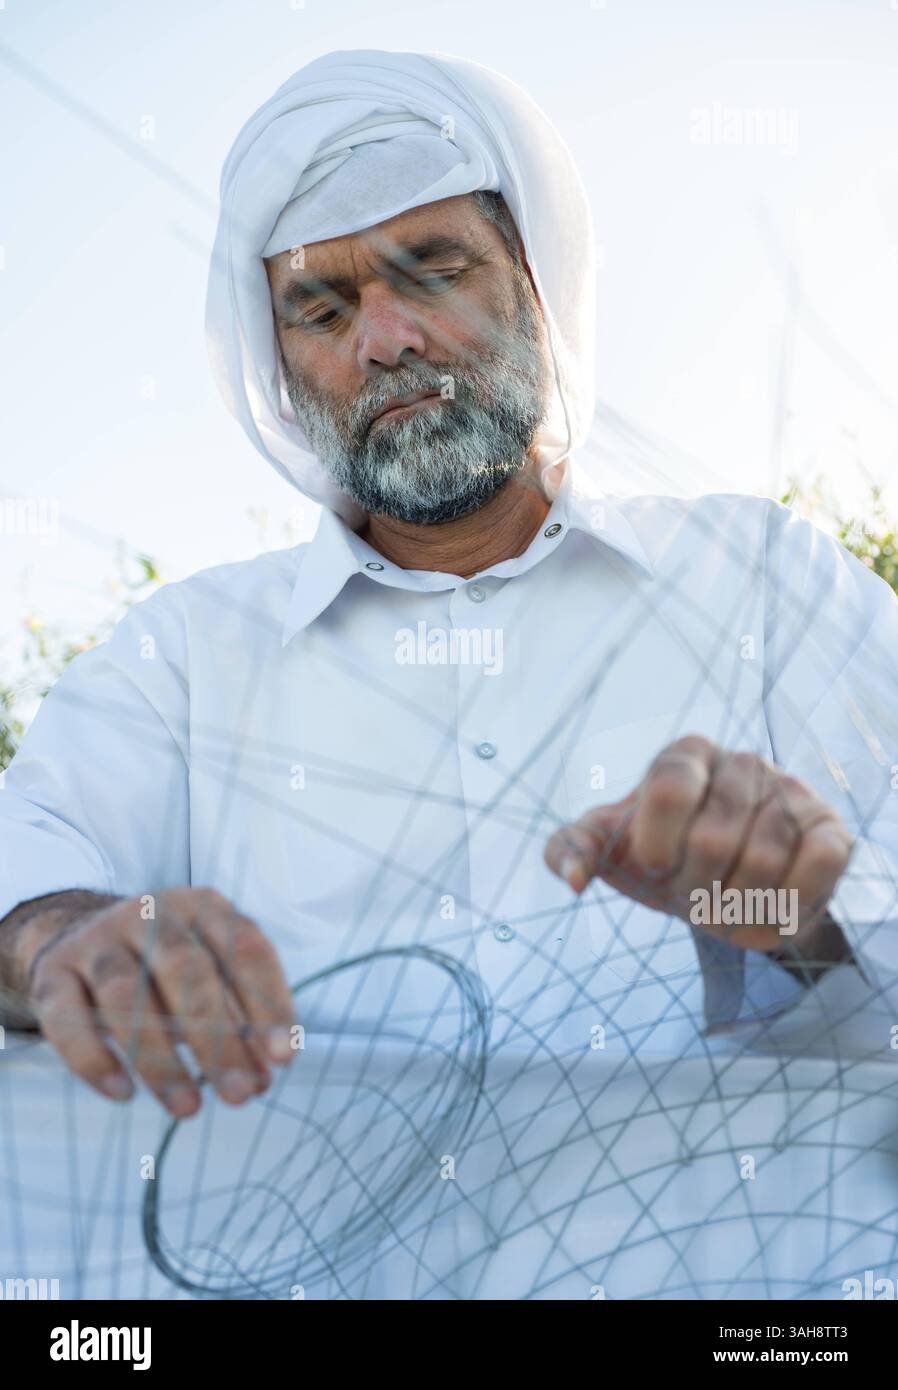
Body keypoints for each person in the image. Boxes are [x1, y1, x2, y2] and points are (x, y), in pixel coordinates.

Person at [0, 49, 895, 1127]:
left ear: (533, 278)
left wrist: (793, 924)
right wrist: (64, 937)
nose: (386, 340)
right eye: (322, 311)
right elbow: (27, 859)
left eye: (430, 269)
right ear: (278, 366)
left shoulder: (762, 580)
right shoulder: (186, 659)